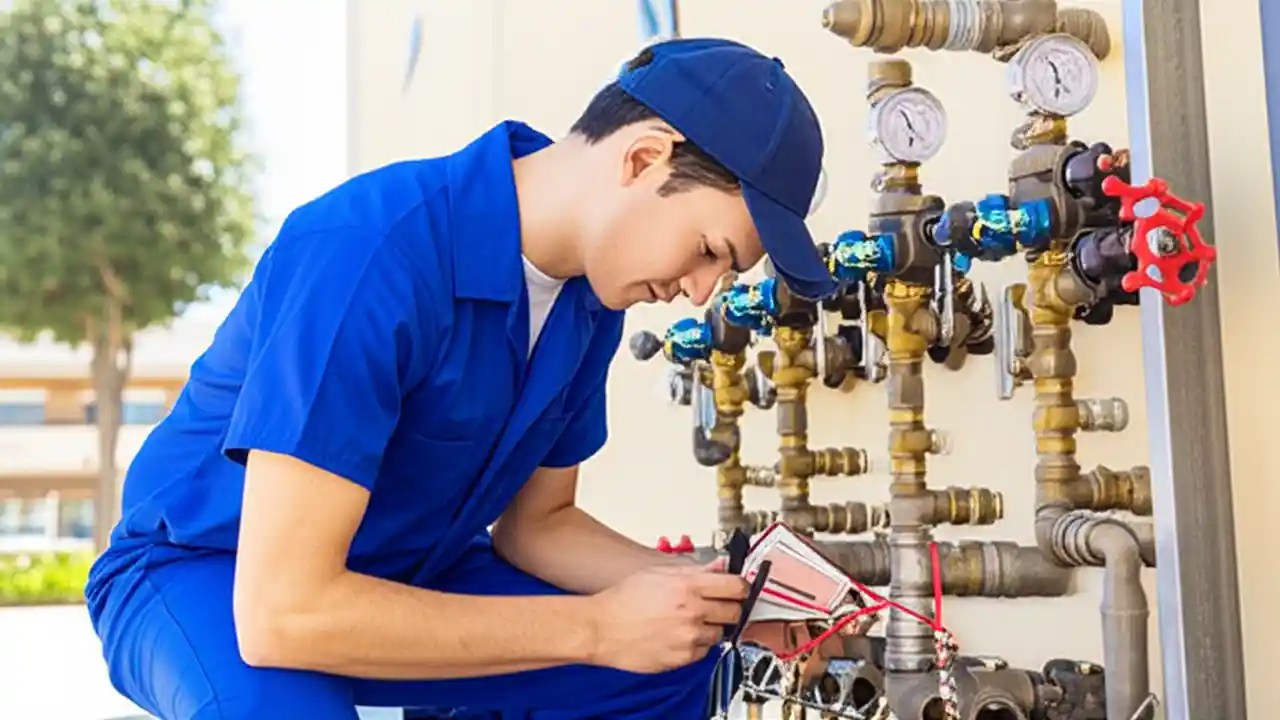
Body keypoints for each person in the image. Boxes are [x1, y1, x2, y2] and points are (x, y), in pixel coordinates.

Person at [84, 36, 837, 720]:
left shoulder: (588, 300)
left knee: (672, 663)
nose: (702, 290)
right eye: (709, 248)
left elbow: (537, 526)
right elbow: (285, 612)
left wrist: (720, 599)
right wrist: (598, 628)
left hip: (416, 571)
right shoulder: (369, 250)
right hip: (212, 572)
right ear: (643, 159)